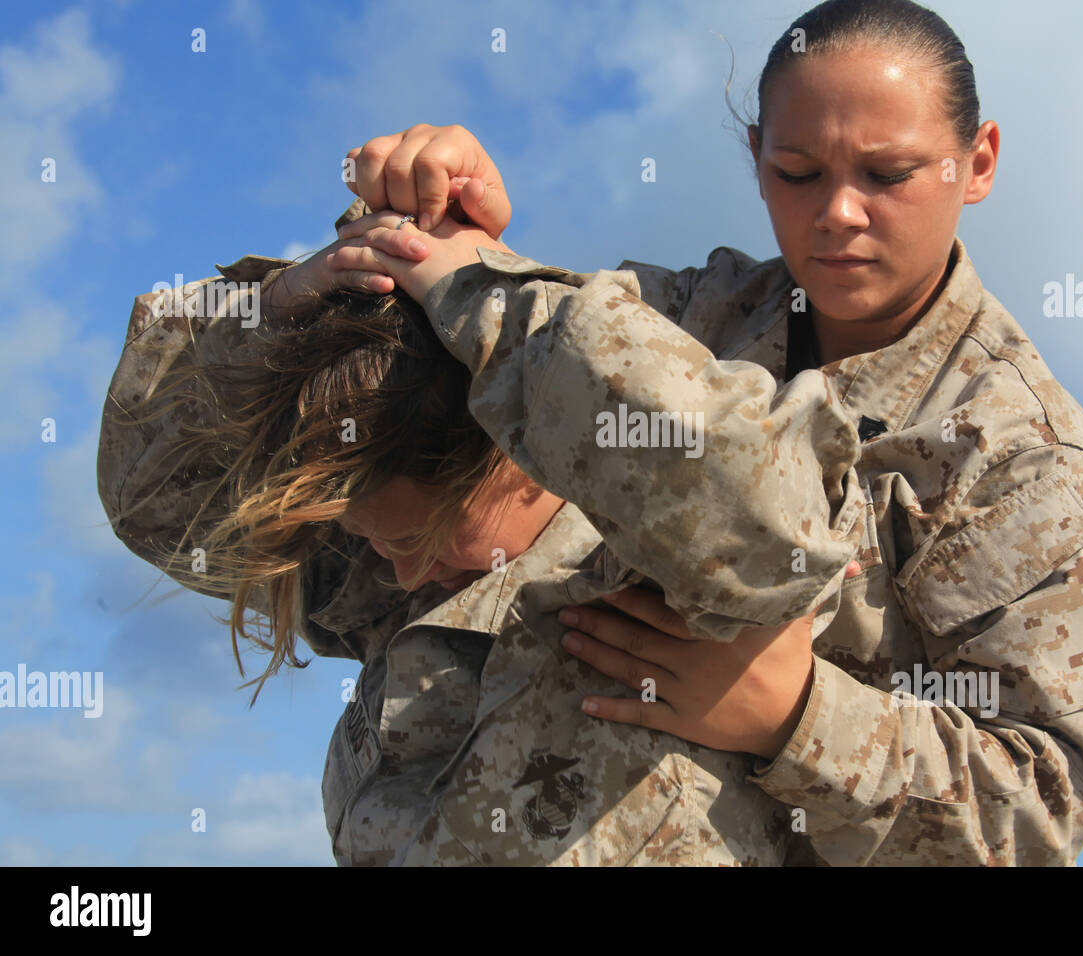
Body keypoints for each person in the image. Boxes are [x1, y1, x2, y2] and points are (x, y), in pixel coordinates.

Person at [316, 0, 1083, 866]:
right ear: (754, 159)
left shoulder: (1031, 466)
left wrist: (796, 714)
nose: (839, 213)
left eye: (889, 173)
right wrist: (444, 229)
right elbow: (532, 347)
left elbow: (1042, 812)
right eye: (797, 171)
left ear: (977, 164)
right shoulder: (687, 318)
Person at [97, 245, 863, 865]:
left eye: (408, 539)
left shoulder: (679, 570)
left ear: (507, 449)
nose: (396, 571)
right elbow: (151, 503)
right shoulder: (400, 593)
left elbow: (772, 514)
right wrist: (274, 311)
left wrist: (491, 298)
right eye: (371, 540)